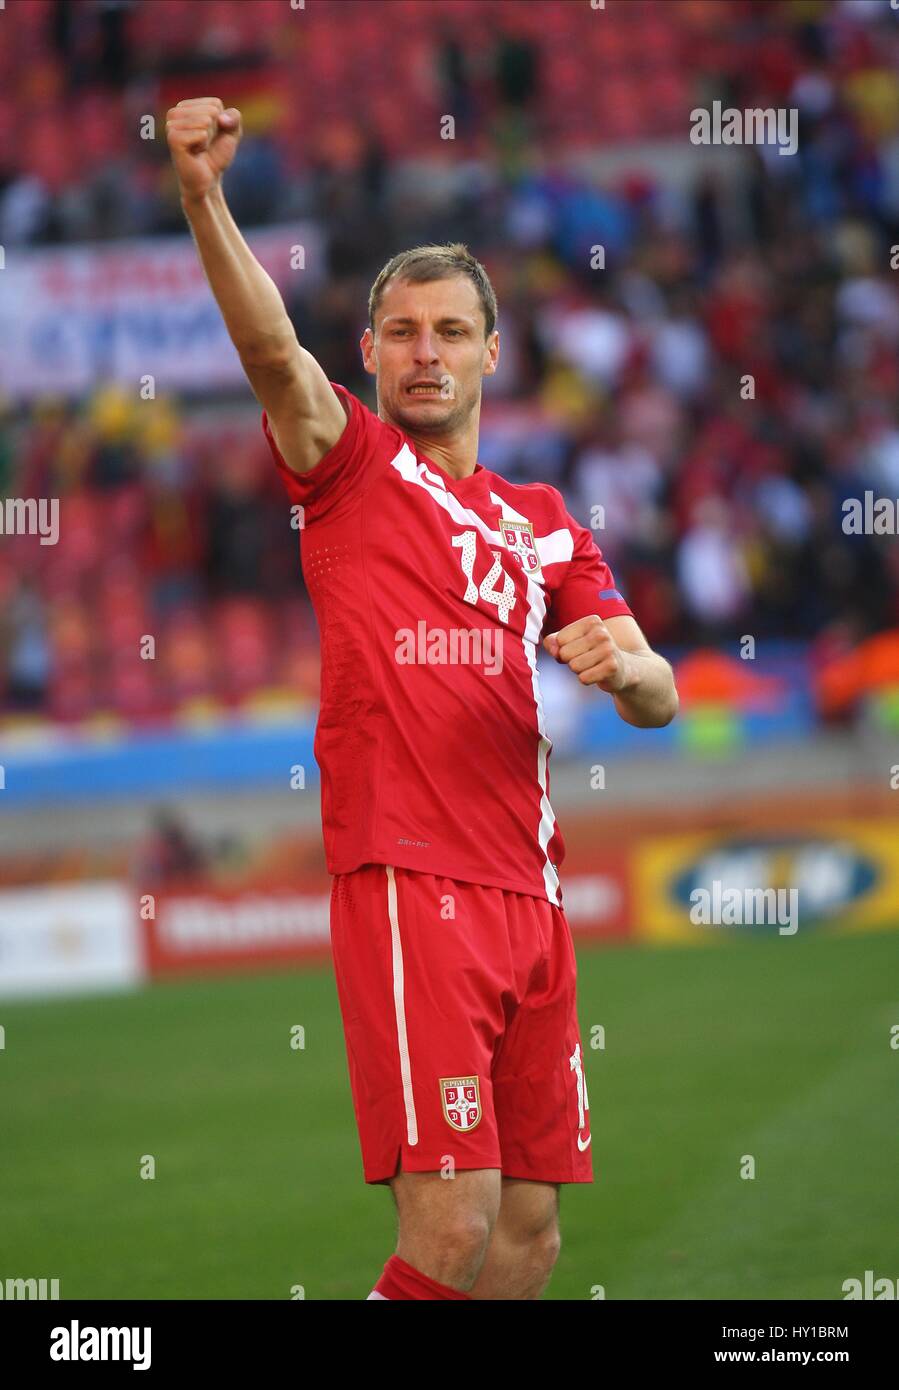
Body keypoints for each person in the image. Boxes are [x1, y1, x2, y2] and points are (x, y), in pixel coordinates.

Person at [167, 98, 678, 1301]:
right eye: (400, 332)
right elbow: (268, 355)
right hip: (412, 879)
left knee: (528, 1236)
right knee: (446, 1229)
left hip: (531, 898)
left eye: (450, 330)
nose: (426, 352)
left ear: (492, 352)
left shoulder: (544, 521)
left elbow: (652, 692)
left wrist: (630, 667)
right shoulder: (348, 468)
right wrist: (201, 194)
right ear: (370, 352)